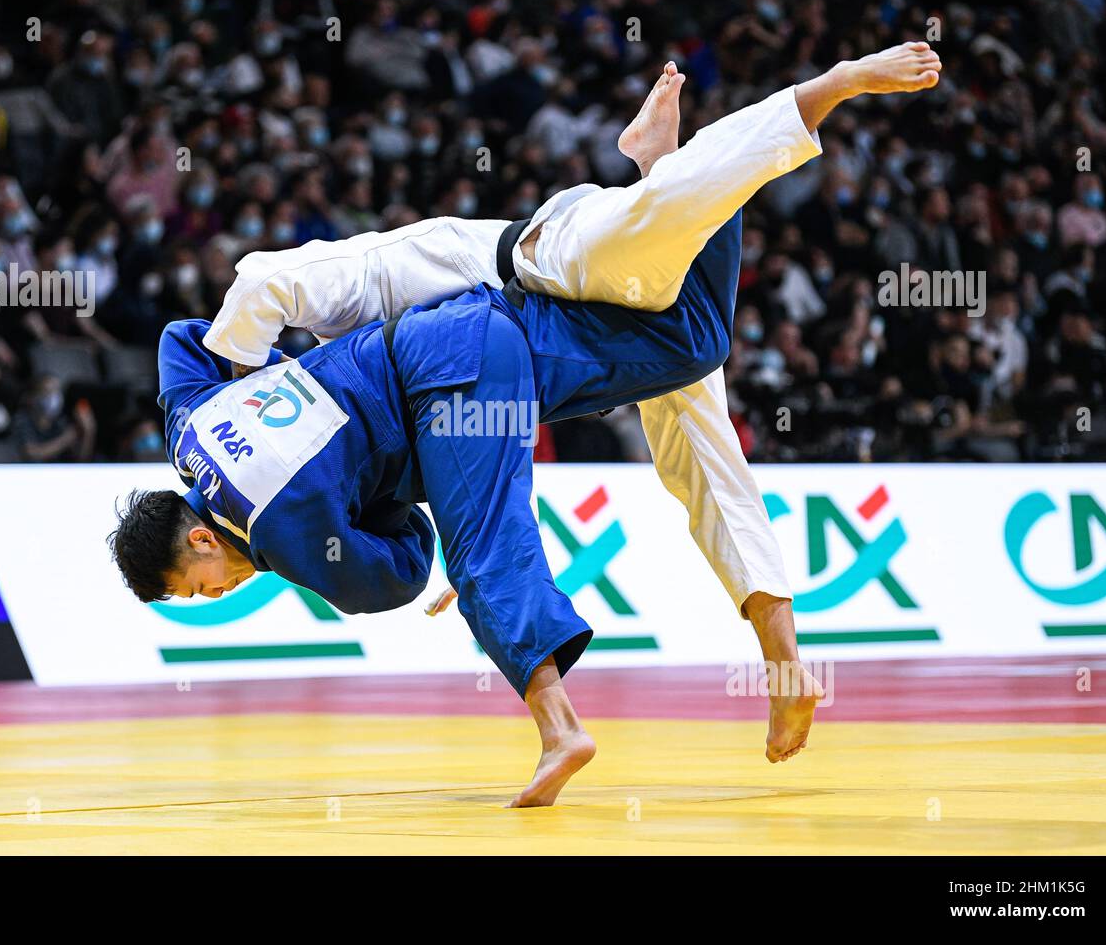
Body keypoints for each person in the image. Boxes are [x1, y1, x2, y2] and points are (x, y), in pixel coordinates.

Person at [109, 45, 942, 806]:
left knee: (652, 330)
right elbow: (188, 339)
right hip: (476, 340)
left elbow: (389, 574)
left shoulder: (291, 485)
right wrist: (246, 391)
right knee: (695, 368)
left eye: (197, 589)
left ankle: (816, 94)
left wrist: (414, 511)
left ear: (200, 543)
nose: (219, 596)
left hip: (534, 269)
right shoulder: (196, 418)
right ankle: (782, 655)